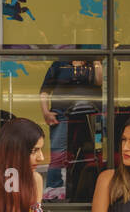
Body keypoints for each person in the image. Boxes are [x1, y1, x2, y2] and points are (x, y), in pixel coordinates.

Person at [39, 58, 102, 201]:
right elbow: (45, 91)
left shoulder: (93, 63)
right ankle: (54, 193)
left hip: (91, 115)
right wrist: (45, 112)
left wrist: (97, 61)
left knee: (91, 154)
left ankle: (89, 189)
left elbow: (99, 81)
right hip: (61, 114)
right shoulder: (59, 64)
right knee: (58, 154)